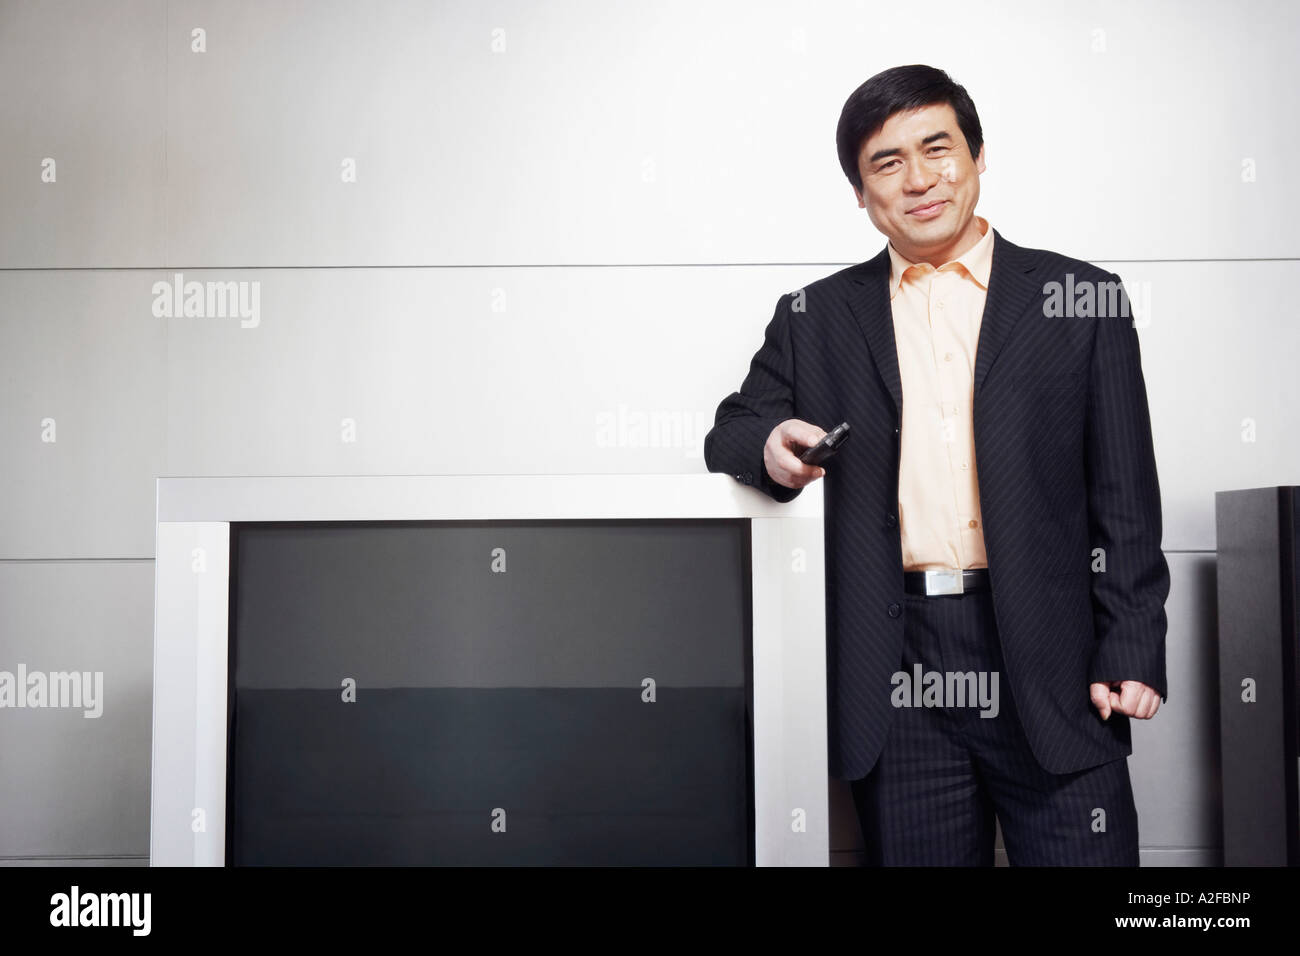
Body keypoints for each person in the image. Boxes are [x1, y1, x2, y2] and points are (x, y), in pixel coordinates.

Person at [703, 64, 1168, 865]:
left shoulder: (1080, 300)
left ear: (978, 156)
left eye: (937, 148)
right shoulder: (816, 317)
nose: (919, 179)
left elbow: (1125, 497)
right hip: (896, 671)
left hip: (1054, 666)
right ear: (859, 191)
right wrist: (771, 451)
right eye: (886, 163)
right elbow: (733, 432)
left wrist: (1130, 644)